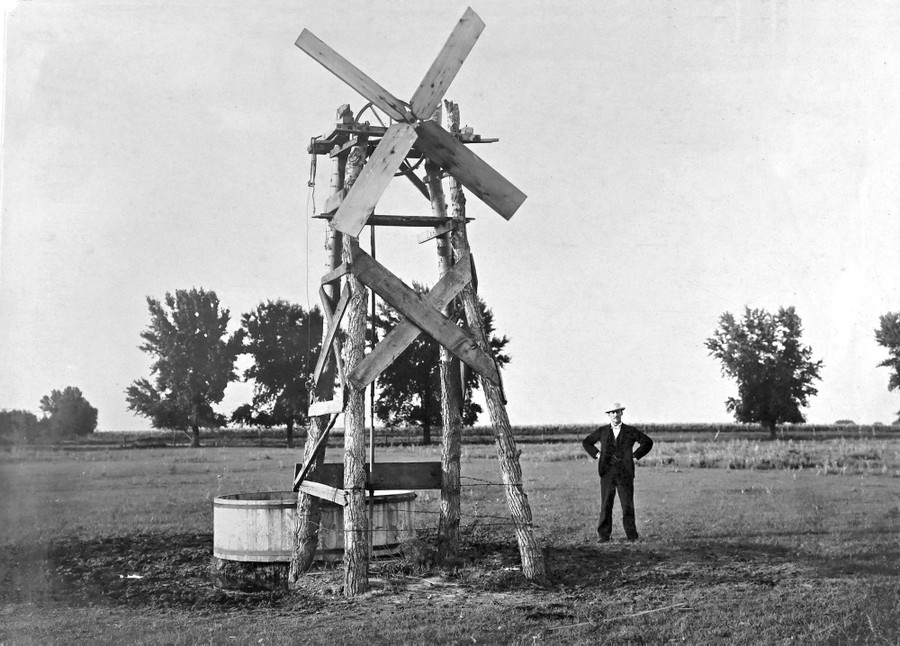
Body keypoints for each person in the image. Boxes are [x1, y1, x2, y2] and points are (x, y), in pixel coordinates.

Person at [581, 402, 653, 542]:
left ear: (622, 413)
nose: (615, 415)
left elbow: (647, 442)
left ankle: (631, 535)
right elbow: (587, 442)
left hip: (625, 472)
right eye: (612, 412)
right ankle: (604, 535)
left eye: (618, 412)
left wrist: (635, 455)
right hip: (607, 472)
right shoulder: (602, 431)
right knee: (606, 504)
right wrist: (597, 454)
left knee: (627, 505)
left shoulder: (630, 430)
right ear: (609, 415)